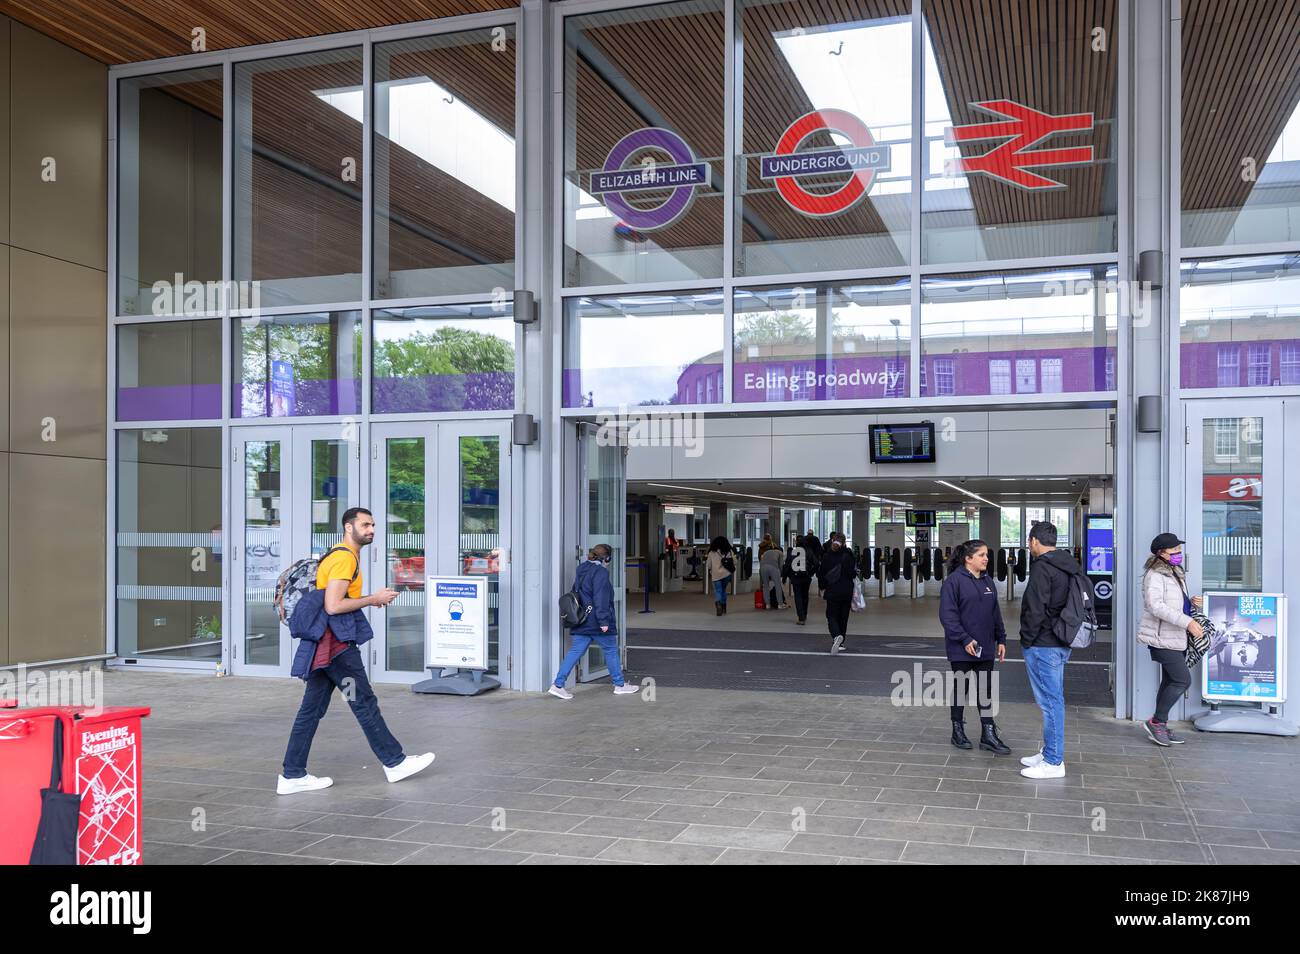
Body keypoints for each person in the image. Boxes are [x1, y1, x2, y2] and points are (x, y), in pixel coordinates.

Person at [278, 507, 435, 795]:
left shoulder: (341, 555)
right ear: (348, 527)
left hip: (323, 647)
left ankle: (292, 774)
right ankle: (394, 762)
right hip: (336, 647)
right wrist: (372, 598)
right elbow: (333, 606)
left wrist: (368, 599)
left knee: (311, 709)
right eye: (365, 524)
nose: (371, 529)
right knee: (363, 701)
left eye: (373, 524)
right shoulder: (343, 558)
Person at [1017, 521, 1083, 779]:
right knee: (1052, 700)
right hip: (1060, 639)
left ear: (1034, 541)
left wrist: (1026, 639)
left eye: (1028, 541)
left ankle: (1054, 761)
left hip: (1043, 644)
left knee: (1051, 703)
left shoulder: (1043, 568)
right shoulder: (1068, 565)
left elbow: (1035, 608)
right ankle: (1048, 752)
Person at [939, 540, 1011, 755]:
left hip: (985, 646)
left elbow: (995, 613)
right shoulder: (953, 582)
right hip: (962, 647)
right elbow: (948, 616)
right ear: (968, 559)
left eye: (986, 554)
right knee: (962, 688)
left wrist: (1001, 639)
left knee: (985, 690)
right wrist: (964, 639)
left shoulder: (988, 581)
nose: (986, 558)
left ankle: (988, 734)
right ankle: (957, 730)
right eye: (981, 555)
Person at [1136, 532, 1202, 746]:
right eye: (1175, 550)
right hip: (1162, 636)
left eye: (1179, 550)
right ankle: (1156, 722)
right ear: (1161, 553)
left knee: (1170, 680)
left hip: (1176, 636)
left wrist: (1190, 603)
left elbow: (1172, 602)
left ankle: (1160, 723)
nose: (1179, 553)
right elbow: (1155, 606)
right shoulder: (1154, 574)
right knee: (1182, 680)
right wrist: (1187, 622)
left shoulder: (1174, 572)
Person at [549, 543, 640, 699]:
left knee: (575, 652)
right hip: (597, 621)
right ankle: (619, 685)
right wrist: (604, 622)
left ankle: (558, 684)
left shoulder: (582, 569)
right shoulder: (601, 573)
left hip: (582, 619)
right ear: (607, 558)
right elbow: (601, 598)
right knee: (611, 651)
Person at [816, 531, 857, 654]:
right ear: (844, 543)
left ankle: (836, 636)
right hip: (847, 591)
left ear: (833, 541)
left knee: (831, 615)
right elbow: (853, 573)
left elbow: (821, 574)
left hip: (833, 590)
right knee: (843, 617)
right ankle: (841, 642)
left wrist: (822, 587)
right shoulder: (849, 555)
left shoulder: (827, 556)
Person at [783, 533, 818, 625]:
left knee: (798, 596)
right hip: (806, 577)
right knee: (805, 596)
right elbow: (816, 564)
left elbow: (787, 565)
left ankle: (801, 617)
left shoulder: (792, 552)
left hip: (795, 577)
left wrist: (785, 576)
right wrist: (811, 573)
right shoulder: (809, 551)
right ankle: (805, 614)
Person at [706, 536, 735, 616]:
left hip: (716, 575)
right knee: (723, 590)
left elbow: (708, 565)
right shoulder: (729, 551)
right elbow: (734, 562)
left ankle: (718, 605)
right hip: (726, 574)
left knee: (718, 590)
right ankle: (724, 607)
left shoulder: (711, 552)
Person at [759, 537, 787, 609]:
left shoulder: (765, 552)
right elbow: (781, 565)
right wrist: (780, 574)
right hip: (773, 567)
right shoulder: (780, 552)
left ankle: (767, 604)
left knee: (766, 586)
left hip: (762, 568)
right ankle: (780, 604)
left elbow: (761, 561)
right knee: (778, 586)